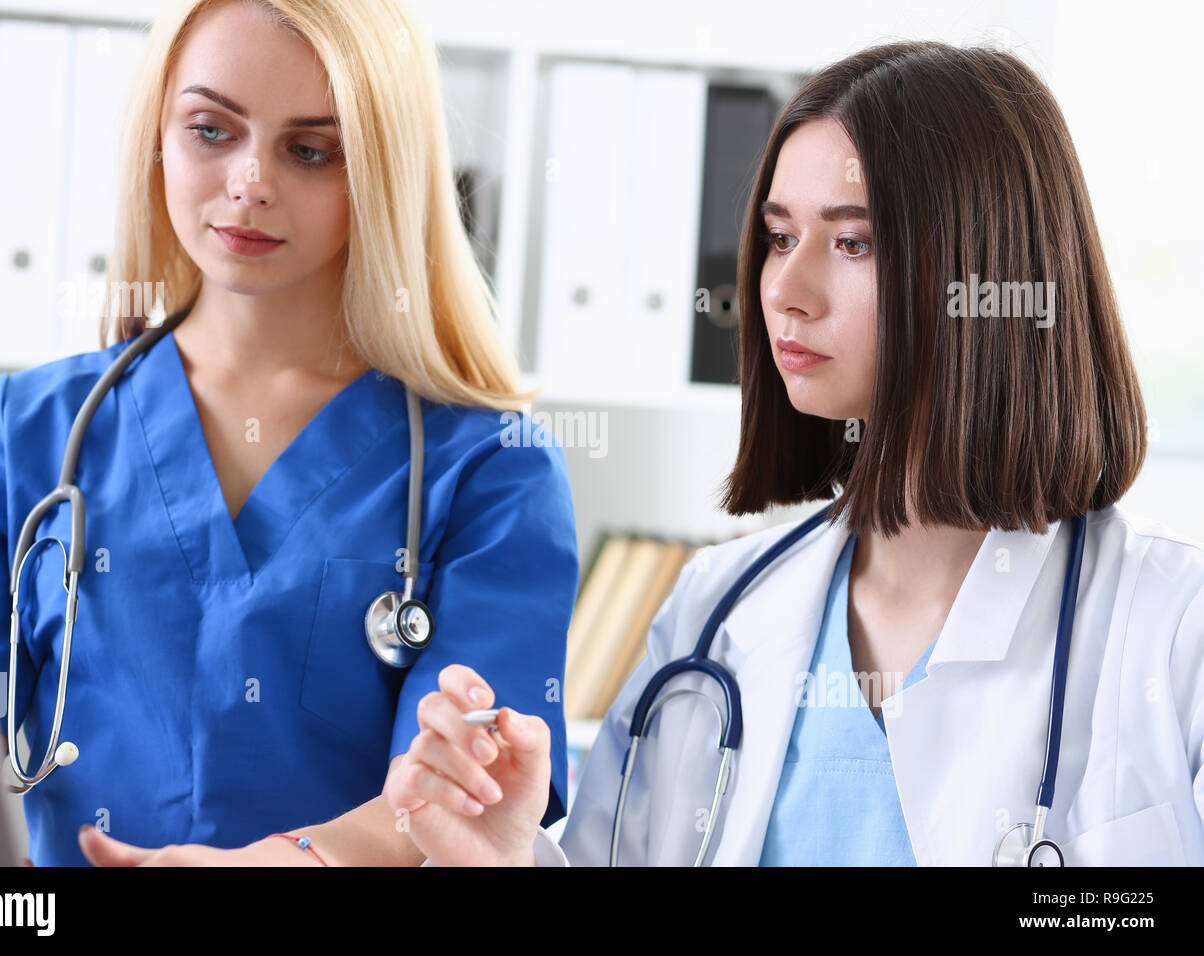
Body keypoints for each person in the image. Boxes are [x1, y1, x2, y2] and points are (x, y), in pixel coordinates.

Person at [384, 40, 1204, 866]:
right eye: (779, 238)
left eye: (853, 244)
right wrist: (505, 857)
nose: (783, 288)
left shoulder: (1170, 631)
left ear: (984, 274)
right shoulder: (718, 612)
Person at [0, 0, 578, 866]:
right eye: (209, 130)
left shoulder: (493, 471)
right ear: (157, 136)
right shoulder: (16, 435)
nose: (249, 183)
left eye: (310, 150)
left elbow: (456, 804)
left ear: (383, 170)